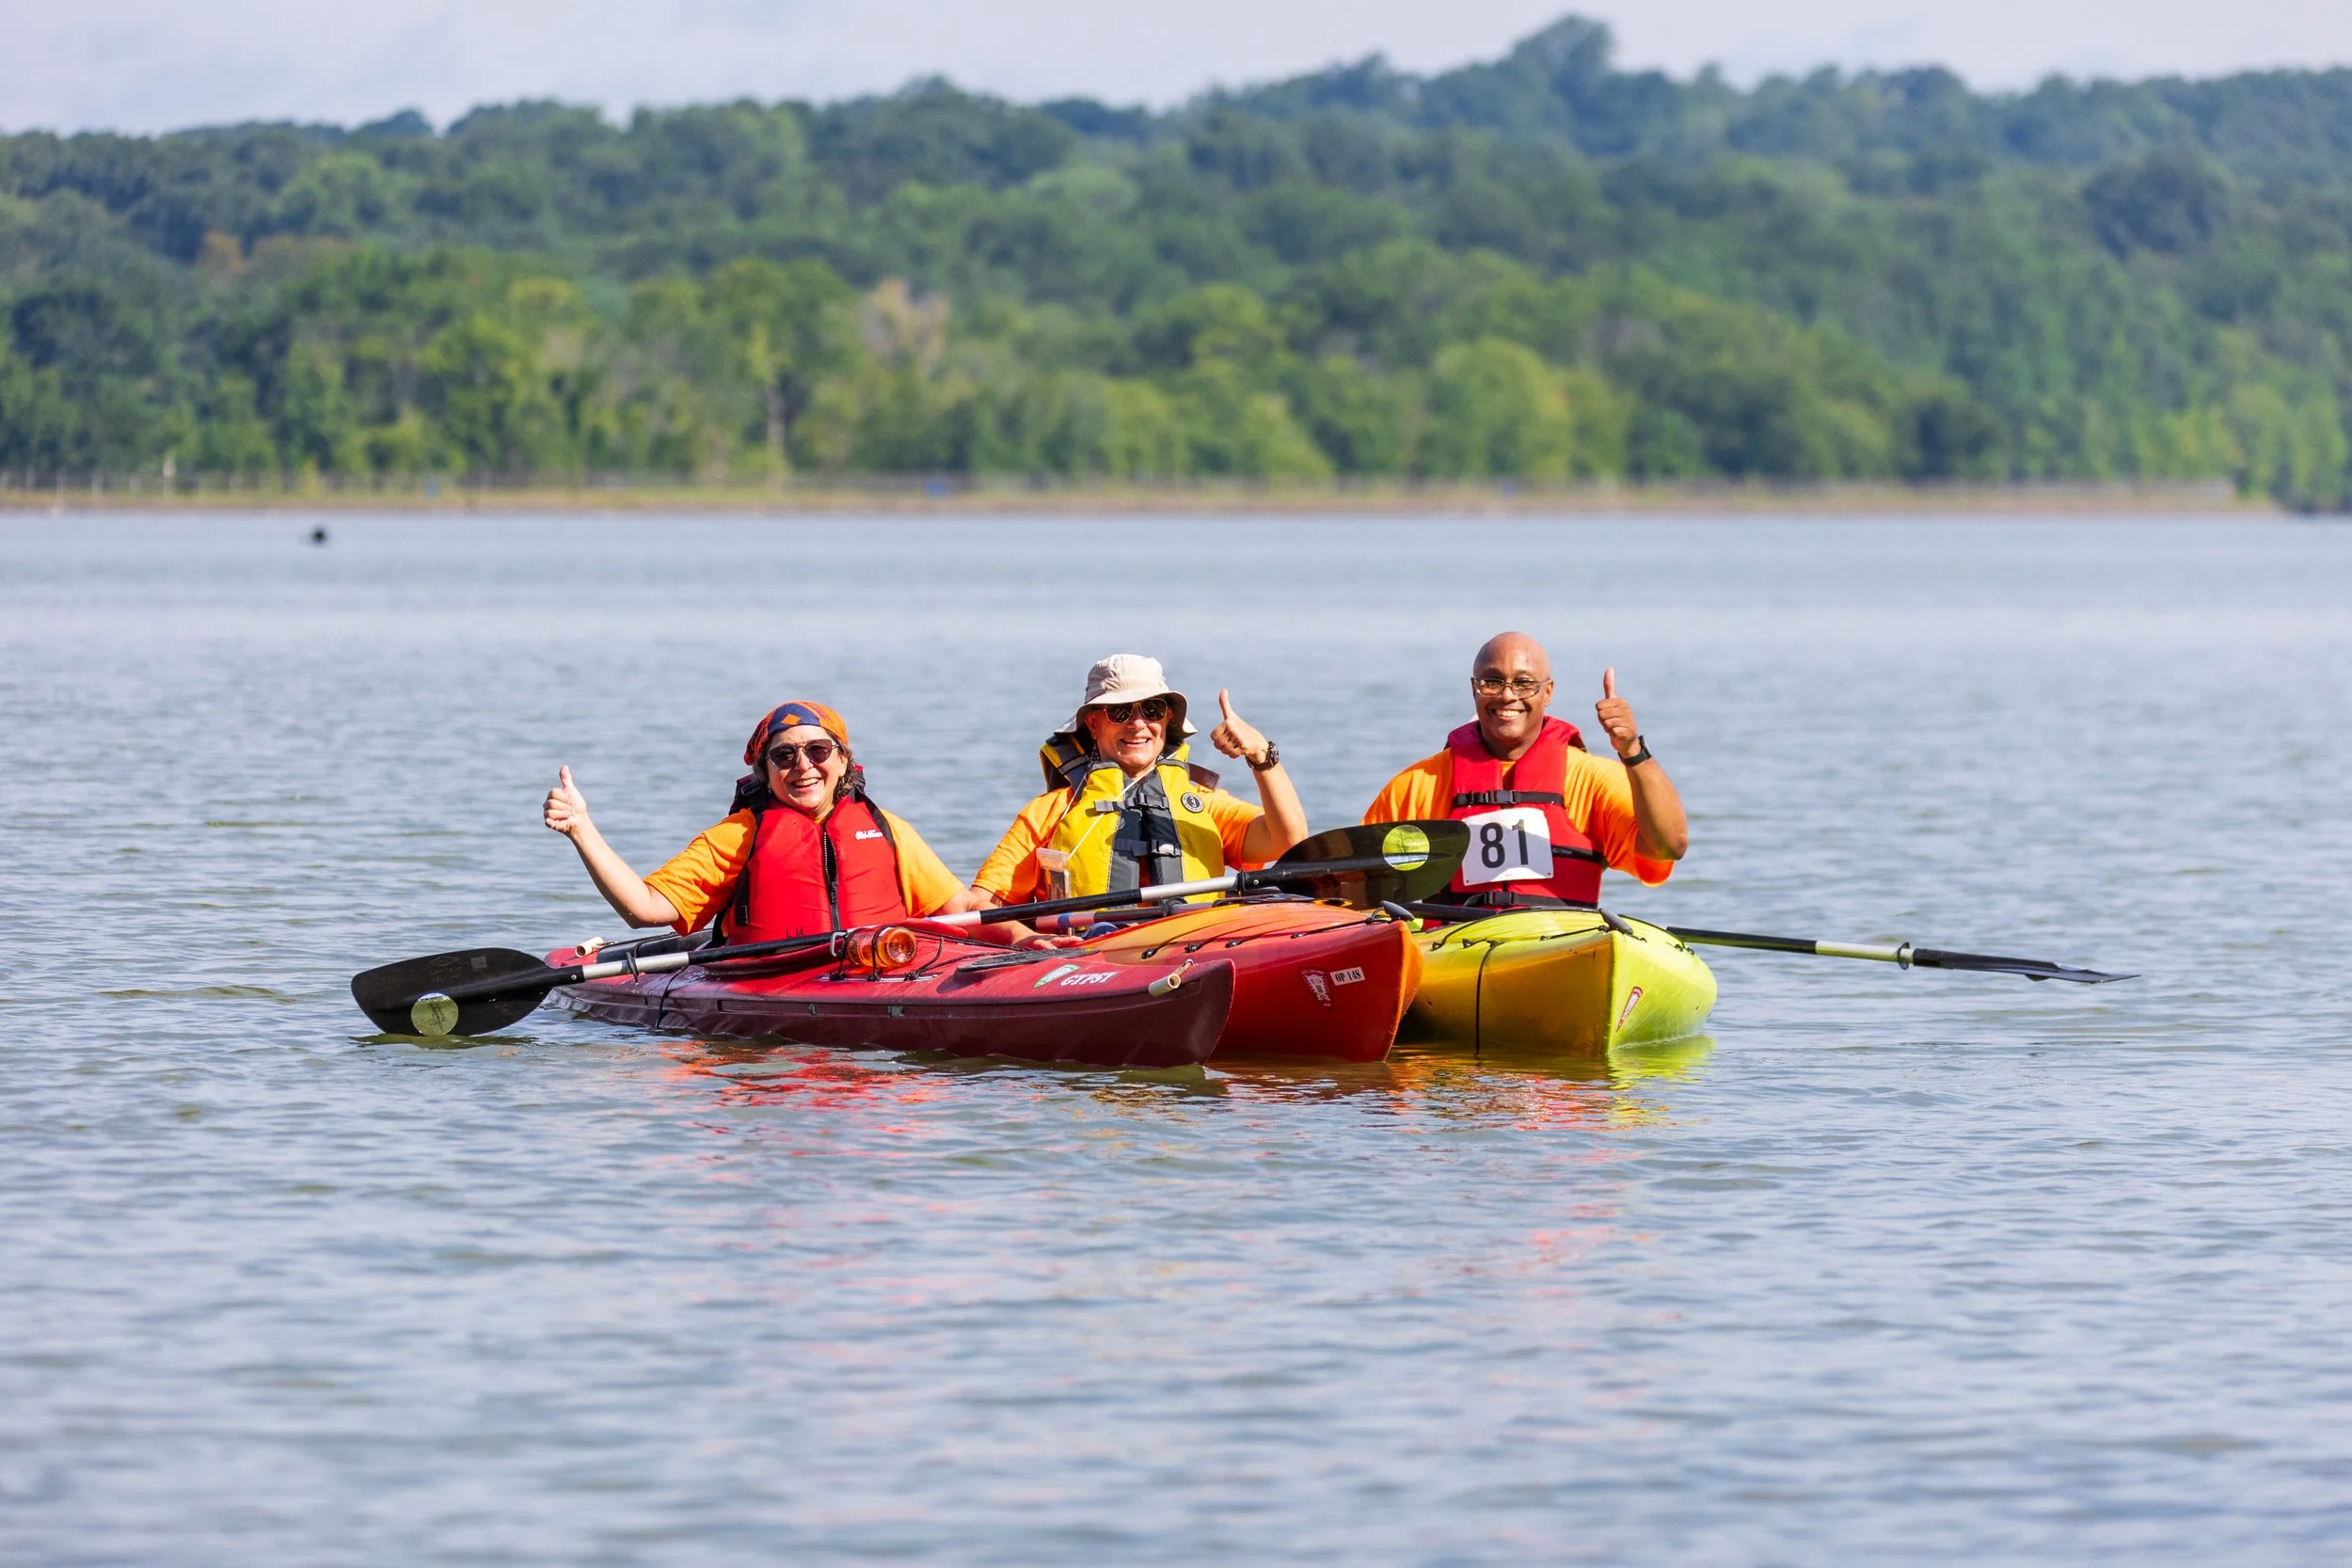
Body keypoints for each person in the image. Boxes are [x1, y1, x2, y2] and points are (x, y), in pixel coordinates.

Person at [543, 699, 977, 942]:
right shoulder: (739, 836)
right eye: (784, 756)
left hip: (887, 971)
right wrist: (582, 828)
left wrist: (1024, 938)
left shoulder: (887, 830)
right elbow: (644, 910)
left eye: (819, 751)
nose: (803, 766)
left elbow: (963, 910)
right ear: (765, 774)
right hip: (771, 984)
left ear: (844, 762)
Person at [1362, 631, 1688, 910]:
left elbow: (1668, 846)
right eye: (1492, 682)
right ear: (1474, 688)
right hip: (1452, 953)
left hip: (1563, 947)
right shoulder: (1417, 785)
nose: (1507, 696)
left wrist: (1631, 749)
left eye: (1524, 683)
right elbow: (1360, 889)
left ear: (1548, 692)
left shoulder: (1592, 779)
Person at [968, 654, 1309, 913]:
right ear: (1093, 723)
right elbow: (982, 903)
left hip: (1193, 947)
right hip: (1091, 957)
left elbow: (1287, 841)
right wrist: (1024, 938)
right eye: (1119, 712)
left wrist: (1262, 756)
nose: (1138, 724)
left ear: (1168, 718)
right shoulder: (1050, 811)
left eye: (1152, 709)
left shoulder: (1203, 803)